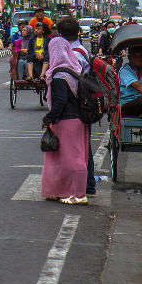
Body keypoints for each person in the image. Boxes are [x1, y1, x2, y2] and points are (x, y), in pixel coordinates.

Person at [41, 36, 90, 205]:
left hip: (67, 121)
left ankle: (78, 193)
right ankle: (60, 190)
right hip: (76, 119)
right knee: (62, 158)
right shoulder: (74, 69)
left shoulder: (60, 75)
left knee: (72, 159)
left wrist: (49, 118)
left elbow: (60, 101)